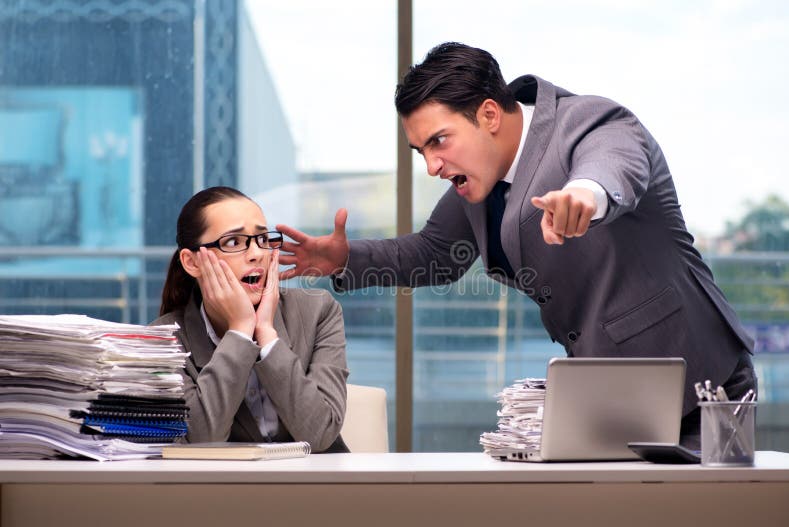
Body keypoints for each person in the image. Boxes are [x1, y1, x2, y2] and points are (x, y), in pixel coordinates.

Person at [276, 42, 756, 447]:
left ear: (488, 114)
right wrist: (342, 259)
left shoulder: (590, 123)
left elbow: (613, 167)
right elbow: (433, 255)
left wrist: (583, 196)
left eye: (439, 141)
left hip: (700, 384)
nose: (432, 166)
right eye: (421, 151)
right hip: (610, 397)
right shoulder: (475, 188)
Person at [153, 186, 349, 452]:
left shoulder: (319, 312)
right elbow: (199, 440)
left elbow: (321, 434)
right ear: (192, 262)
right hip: (224, 493)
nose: (257, 253)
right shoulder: (162, 340)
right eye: (233, 242)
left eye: (262, 239)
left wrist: (267, 334)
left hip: (317, 489)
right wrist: (240, 331)